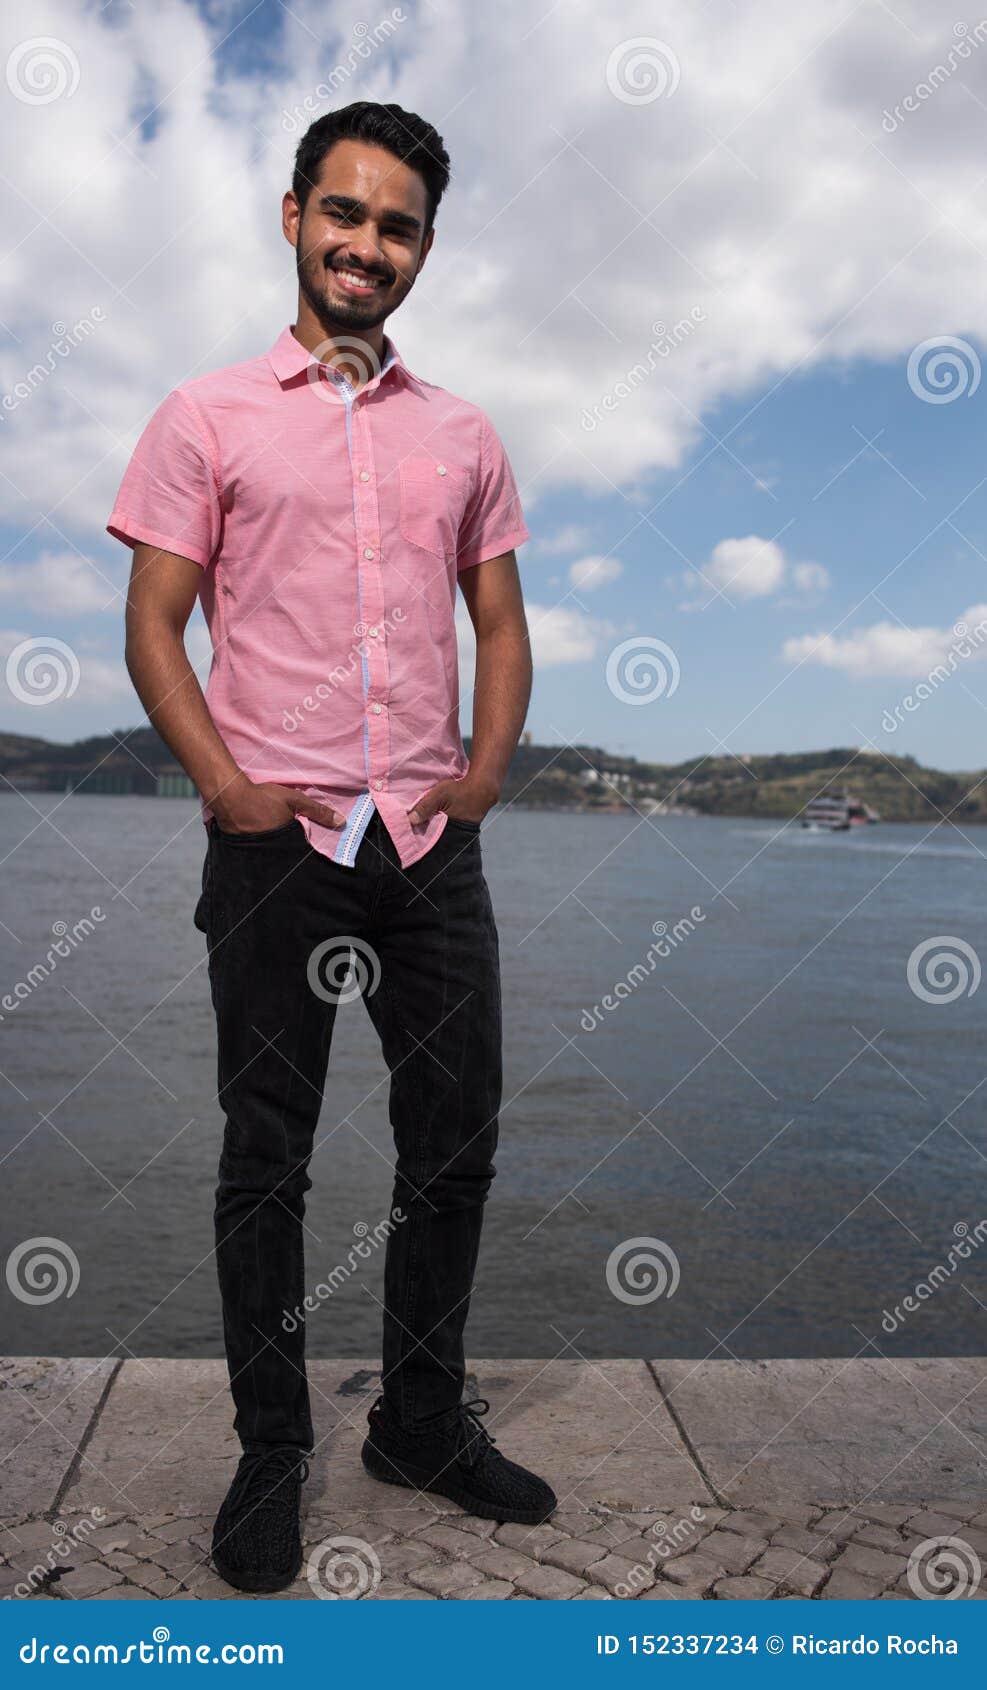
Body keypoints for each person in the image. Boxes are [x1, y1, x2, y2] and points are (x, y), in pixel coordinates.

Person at [107, 100, 556, 1594]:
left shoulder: (464, 436)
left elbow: (497, 625)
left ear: (426, 246)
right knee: (266, 1161)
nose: (369, 244)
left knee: (456, 1150)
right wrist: (231, 789)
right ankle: (272, 1447)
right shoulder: (206, 415)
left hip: (430, 847)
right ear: (293, 214)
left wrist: (482, 779)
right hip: (276, 844)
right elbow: (154, 622)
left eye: (400, 224)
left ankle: (421, 1420)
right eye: (346, 212)